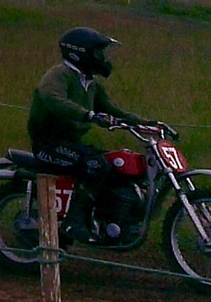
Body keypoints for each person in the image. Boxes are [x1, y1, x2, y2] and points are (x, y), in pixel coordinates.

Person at [27, 27, 156, 242]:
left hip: (70, 143)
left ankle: (107, 220)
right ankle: (73, 224)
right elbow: (52, 99)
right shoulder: (60, 74)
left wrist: (145, 123)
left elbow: (112, 110)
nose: (102, 58)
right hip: (48, 143)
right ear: (80, 52)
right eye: (98, 52)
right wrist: (89, 115)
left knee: (114, 166)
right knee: (96, 166)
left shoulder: (90, 83)